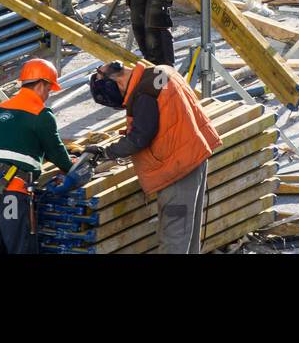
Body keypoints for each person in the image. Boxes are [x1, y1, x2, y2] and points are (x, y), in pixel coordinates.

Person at [86, 60, 221, 254]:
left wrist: (107, 152)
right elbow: (165, 116)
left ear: (117, 82)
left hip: (176, 170)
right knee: (187, 237)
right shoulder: (161, 72)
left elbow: (139, 138)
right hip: (193, 155)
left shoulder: (144, 94)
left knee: (174, 239)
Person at [0, 59, 73, 254]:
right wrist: (73, 169)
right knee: (21, 246)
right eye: (49, 90)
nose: (48, 95)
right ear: (41, 85)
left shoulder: (3, 108)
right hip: (9, 189)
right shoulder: (41, 114)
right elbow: (55, 151)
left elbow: (17, 143)